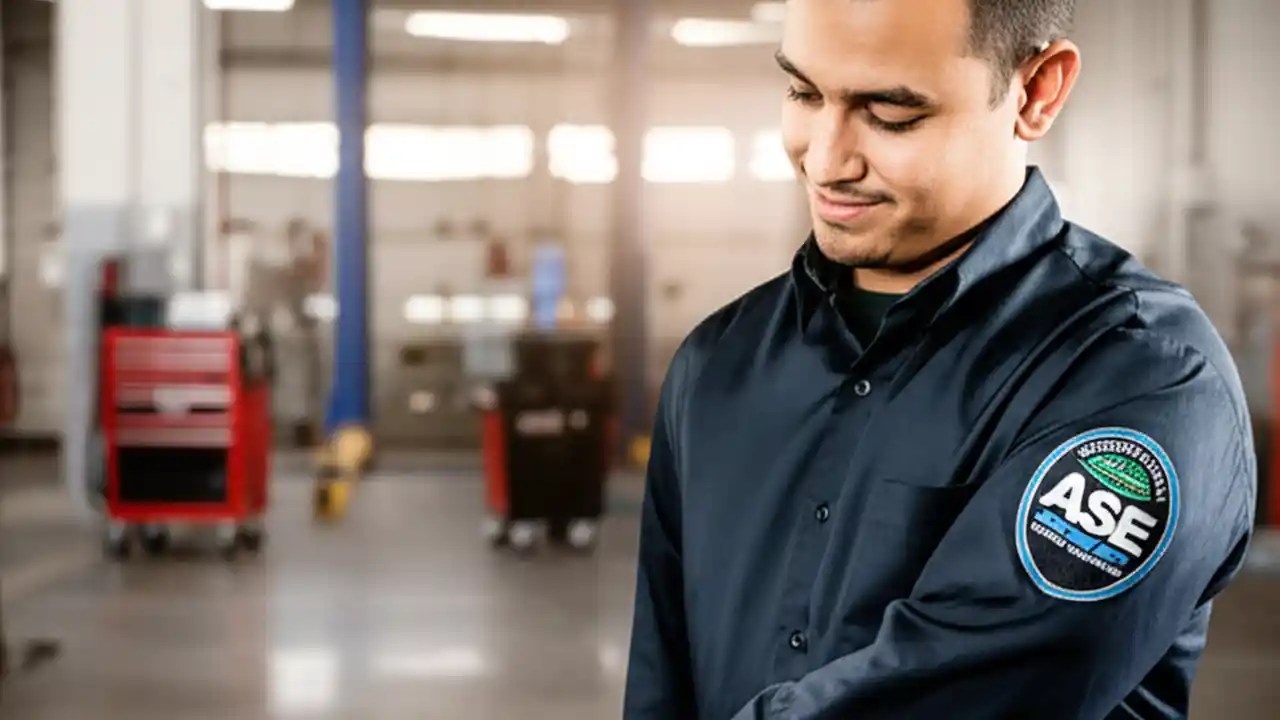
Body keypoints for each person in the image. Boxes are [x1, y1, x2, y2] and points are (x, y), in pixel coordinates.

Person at [623, 0, 1256, 718]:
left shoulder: (1141, 379)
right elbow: (660, 683)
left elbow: (958, 696)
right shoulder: (717, 364)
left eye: (891, 113)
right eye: (803, 93)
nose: (825, 159)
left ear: (1036, 90)